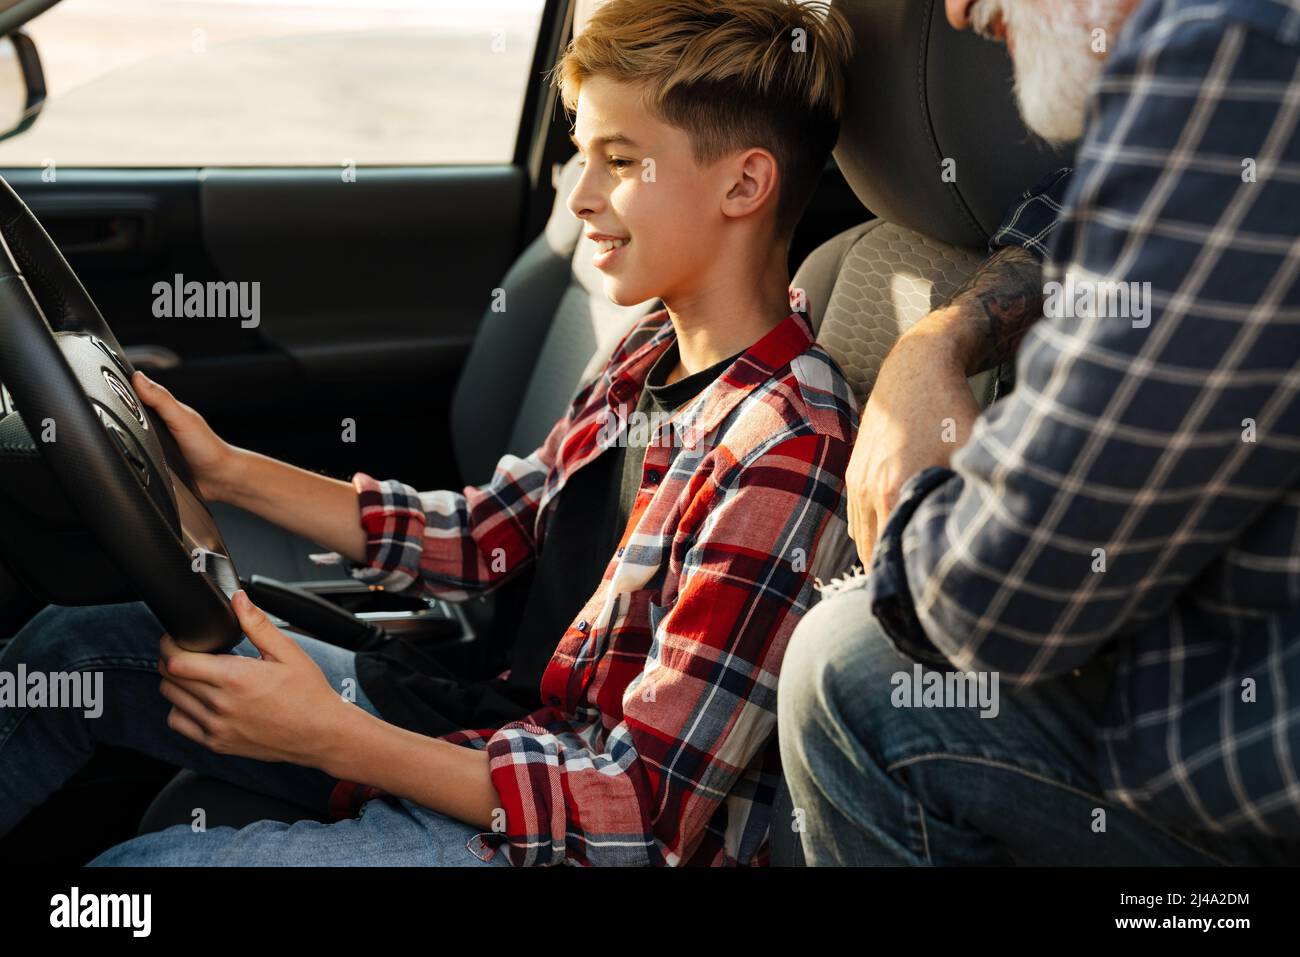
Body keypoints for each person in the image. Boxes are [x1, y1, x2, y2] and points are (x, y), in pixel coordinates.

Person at [0, 0, 863, 866]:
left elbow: (637, 813)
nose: (580, 192)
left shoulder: (787, 442)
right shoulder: (651, 351)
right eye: (579, 153)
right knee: (65, 653)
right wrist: (227, 472)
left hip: (562, 834)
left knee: (132, 879)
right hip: (496, 728)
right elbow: (487, 534)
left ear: (743, 185)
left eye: (620, 160)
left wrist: (329, 736)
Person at [776, 0, 1300, 866]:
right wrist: (936, 340)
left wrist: (914, 508)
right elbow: (1097, 212)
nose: (953, 12)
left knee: (851, 674)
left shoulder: (1238, 53)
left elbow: (1006, 591)